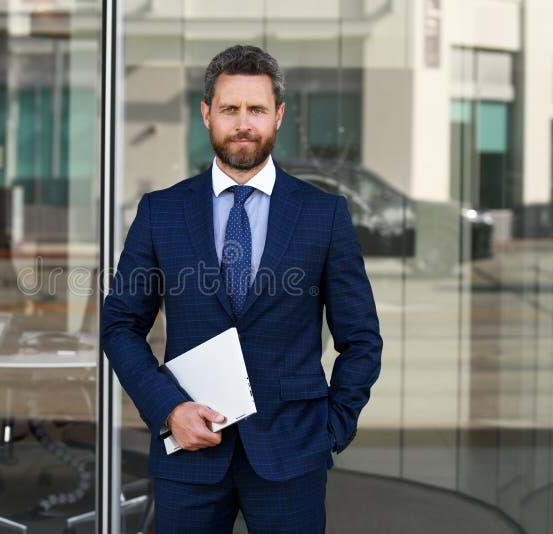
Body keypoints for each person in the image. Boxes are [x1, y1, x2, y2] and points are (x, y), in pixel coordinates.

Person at [101, 44, 382, 533]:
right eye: (230, 109)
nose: (243, 123)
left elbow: (361, 339)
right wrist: (168, 409)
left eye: (257, 109)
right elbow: (120, 324)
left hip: (292, 456)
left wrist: (332, 428)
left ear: (279, 116)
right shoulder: (160, 212)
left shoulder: (323, 215)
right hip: (189, 454)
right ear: (207, 114)